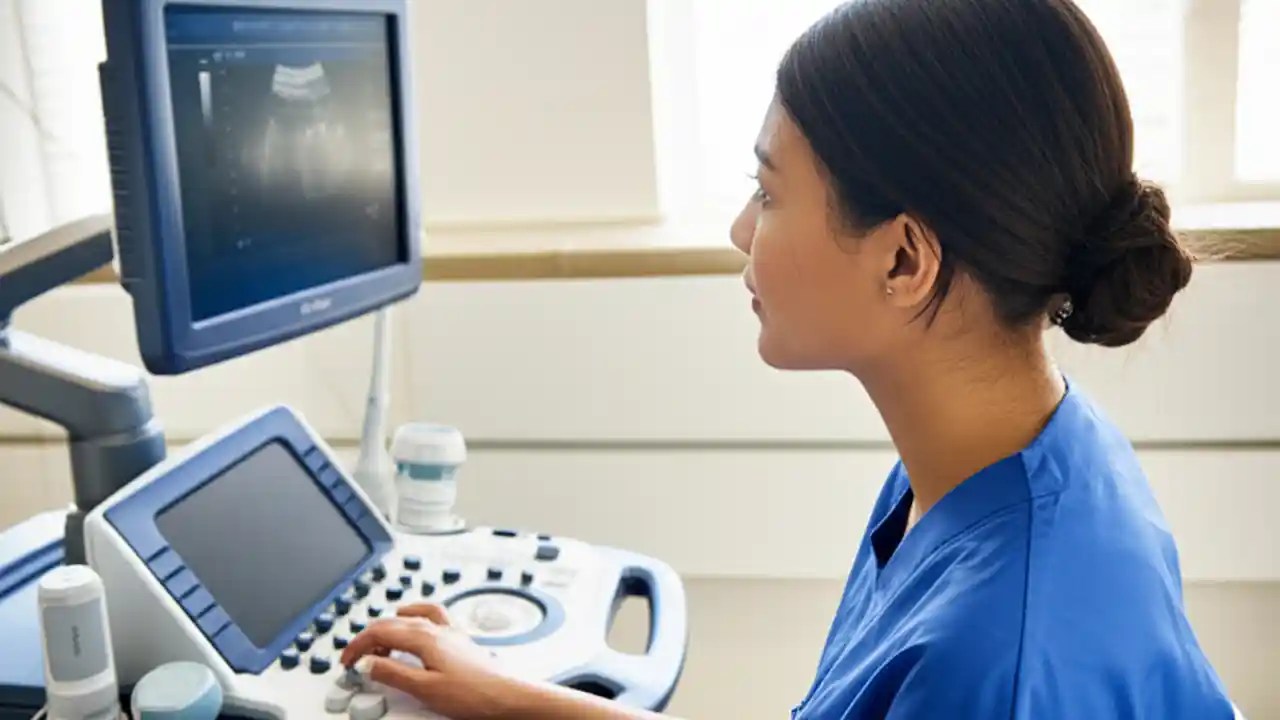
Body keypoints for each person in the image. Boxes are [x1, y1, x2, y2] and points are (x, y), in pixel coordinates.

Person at [340, 0, 1239, 717]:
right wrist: (508, 698)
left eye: (768, 193)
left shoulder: (994, 656)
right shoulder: (1016, 456)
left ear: (904, 260)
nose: (742, 231)